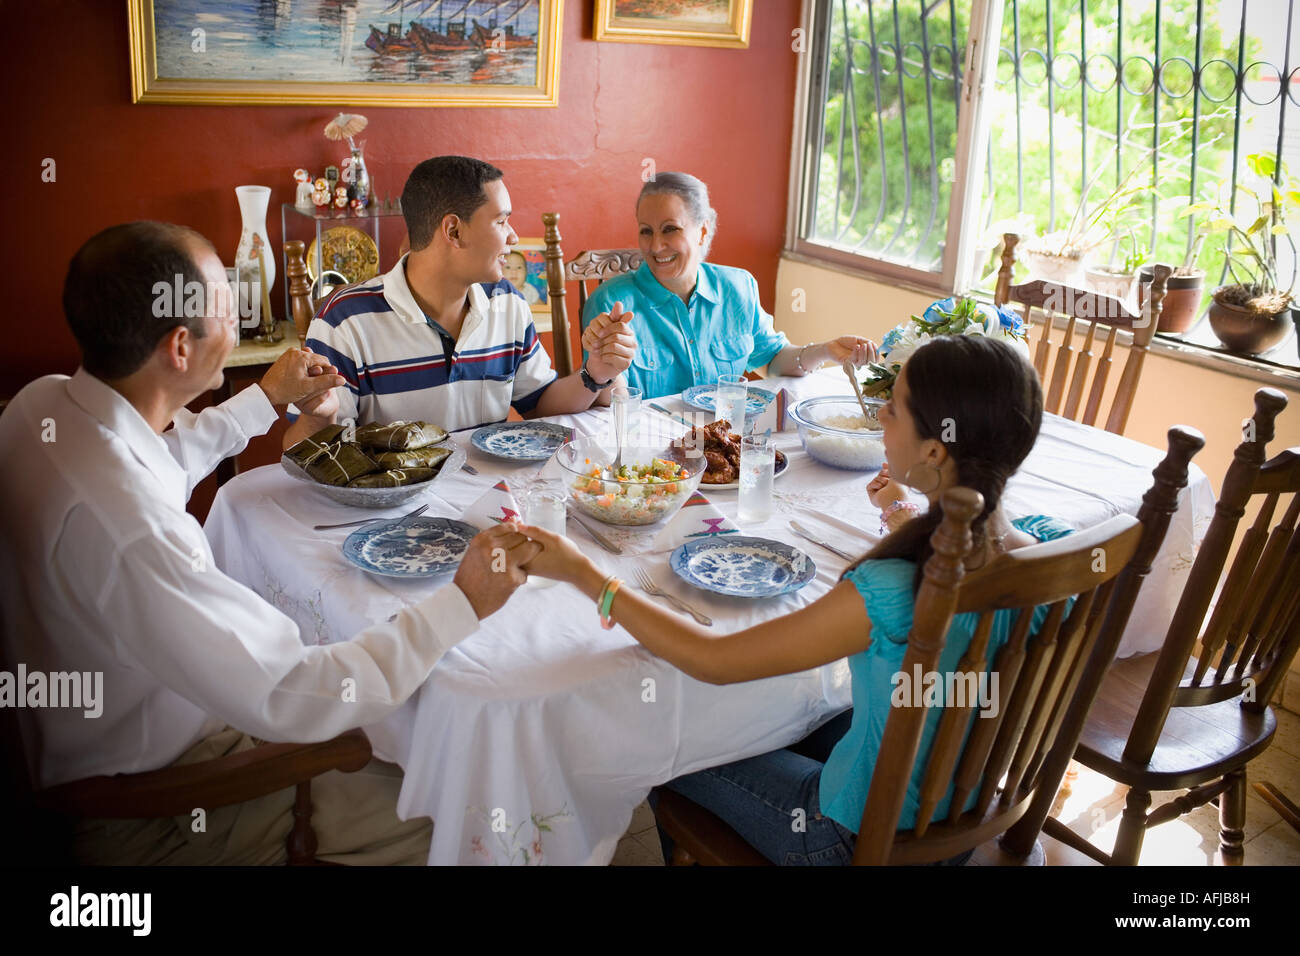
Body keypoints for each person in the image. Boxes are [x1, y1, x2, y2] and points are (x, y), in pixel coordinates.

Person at [0, 221, 542, 865]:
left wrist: (266, 396)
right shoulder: (132, 529)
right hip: (159, 805)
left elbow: (160, 456)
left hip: (99, 729)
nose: (239, 320)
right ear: (180, 346)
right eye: (228, 308)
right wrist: (462, 603)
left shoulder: (42, 410)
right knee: (481, 817)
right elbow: (293, 693)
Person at [518, 334, 1073, 865]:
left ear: (933, 448)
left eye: (893, 409)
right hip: (963, 814)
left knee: (664, 746)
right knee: (800, 712)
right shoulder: (1054, 549)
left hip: (844, 839)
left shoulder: (893, 590)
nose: (878, 415)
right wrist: (904, 512)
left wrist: (587, 576)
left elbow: (714, 661)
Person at [285, 156, 636, 447]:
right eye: (501, 221)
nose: (513, 236)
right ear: (453, 231)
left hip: (489, 501)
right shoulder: (344, 321)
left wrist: (597, 372)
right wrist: (319, 418)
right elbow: (303, 451)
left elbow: (540, 405)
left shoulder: (507, 303)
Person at [580, 171, 879, 400]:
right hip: (651, 453)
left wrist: (826, 350)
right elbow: (608, 399)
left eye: (670, 229)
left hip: (725, 444)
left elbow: (773, 360)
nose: (656, 246)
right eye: (646, 231)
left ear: (702, 231)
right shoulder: (612, 302)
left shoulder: (738, 287)